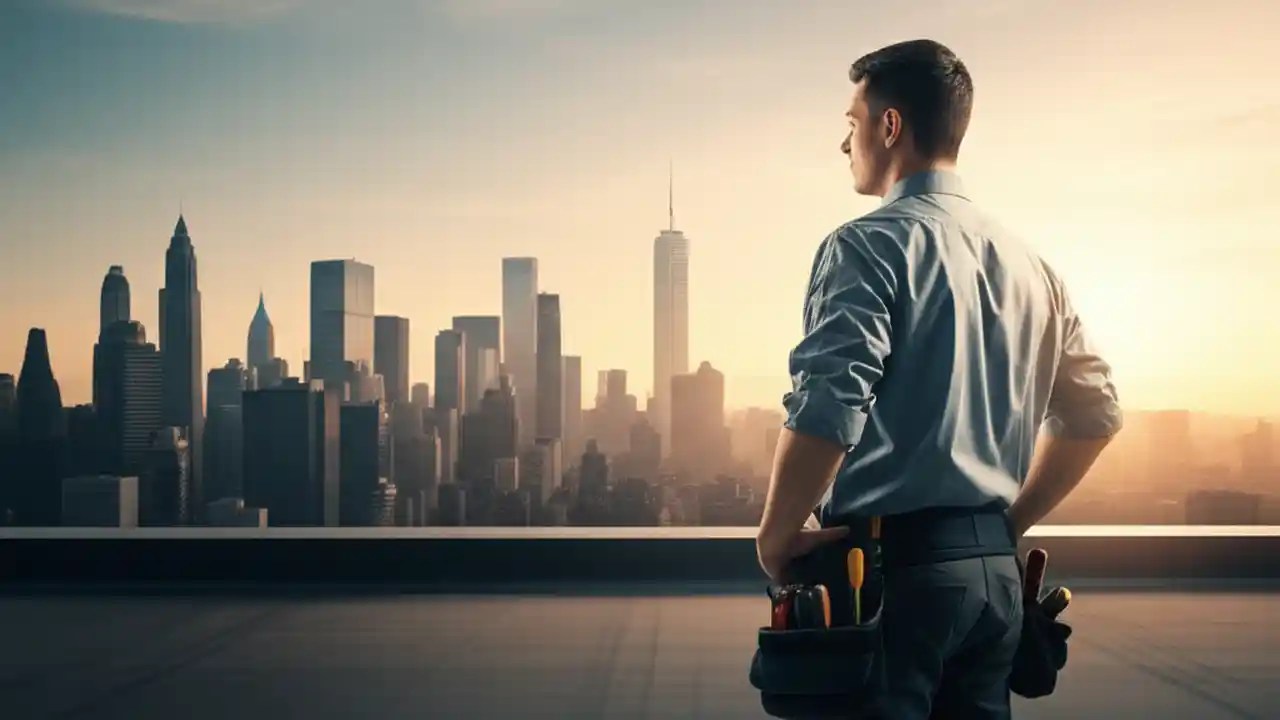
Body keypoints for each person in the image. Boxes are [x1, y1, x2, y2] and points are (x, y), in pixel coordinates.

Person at [755, 39, 1123, 719]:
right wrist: (1007, 524)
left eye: (852, 122)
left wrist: (775, 536)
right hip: (994, 583)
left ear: (889, 125)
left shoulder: (866, 245)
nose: (845, 143)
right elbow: (1096, 415)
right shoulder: (1032, 266)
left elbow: (831, 400)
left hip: (890, 580)